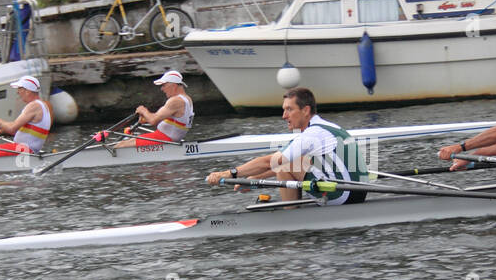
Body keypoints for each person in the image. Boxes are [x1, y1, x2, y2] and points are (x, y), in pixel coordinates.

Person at [205, 87, 366, 204]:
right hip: (358, 192)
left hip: (343, 196)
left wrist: (229, 173)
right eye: (284, 110)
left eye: (289, 109)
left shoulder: (311, 135)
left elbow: (270, 162)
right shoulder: (326, 127)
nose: (284, 116)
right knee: (293, 160)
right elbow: (296, 162)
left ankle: (291, 218)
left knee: (282, 166)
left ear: (305, 110)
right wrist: (255, 179)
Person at [0, 75, 51, 160]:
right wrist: (2, 129)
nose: (18, 92)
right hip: (26, 150)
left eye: (19, 89)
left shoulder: (34, 106)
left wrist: (0, 122)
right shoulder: (42, 105)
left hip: (23, 150)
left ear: (27, 91)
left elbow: (12, 128)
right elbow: (20, 130)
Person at [113, 70, 194, 147]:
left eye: (164, 85)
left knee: (121, 145)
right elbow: (169, 119)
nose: (162, 89)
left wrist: (143, 110)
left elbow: (153, 120)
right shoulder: (187, 99)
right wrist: (146, 118)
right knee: (124, 143)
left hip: (163, 139)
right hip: (167, 138)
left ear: (173, 85)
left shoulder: (176, 101)